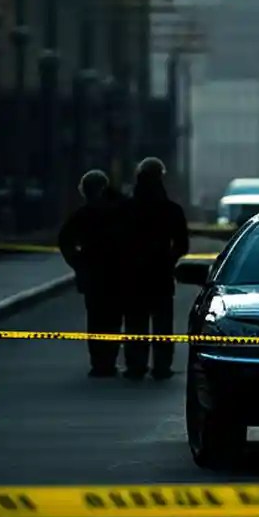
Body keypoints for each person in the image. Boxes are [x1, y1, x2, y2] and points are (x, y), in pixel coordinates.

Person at [122, 157, 190, 381]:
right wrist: (169, 259)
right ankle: (162, 365)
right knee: (162, 323)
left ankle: (136, 364)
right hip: (160, 273)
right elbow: (182, 244)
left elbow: (117, 242)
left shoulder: (127, 209)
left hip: (133, 274)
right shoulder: (171, 210)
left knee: (135, 322)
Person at [58, 170, 127, 377]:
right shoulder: (119, 211)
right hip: (116, 272)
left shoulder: (83, 214)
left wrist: (78, 263)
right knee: (113, 318)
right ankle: (110, 360)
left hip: (94, 274)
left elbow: (65, 241)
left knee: (96, 318)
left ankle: (99, 362)